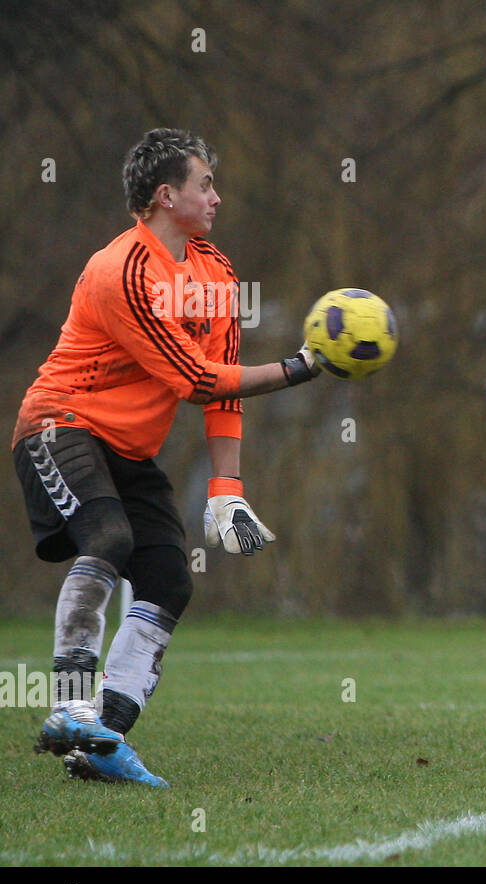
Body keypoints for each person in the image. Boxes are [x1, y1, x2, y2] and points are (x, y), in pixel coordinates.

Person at [13, 128, 322, 787]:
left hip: (125, 450)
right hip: (58, 424)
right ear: (165, 196)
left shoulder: (216, 273)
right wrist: (300, 367)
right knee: (110, 536)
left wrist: (227, 488)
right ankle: (69, 706)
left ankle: (97, 749)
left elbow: (223, 380)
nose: (217, 196)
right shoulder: (120, 269)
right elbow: (196, 381)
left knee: (169, 582)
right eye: (204, 184)